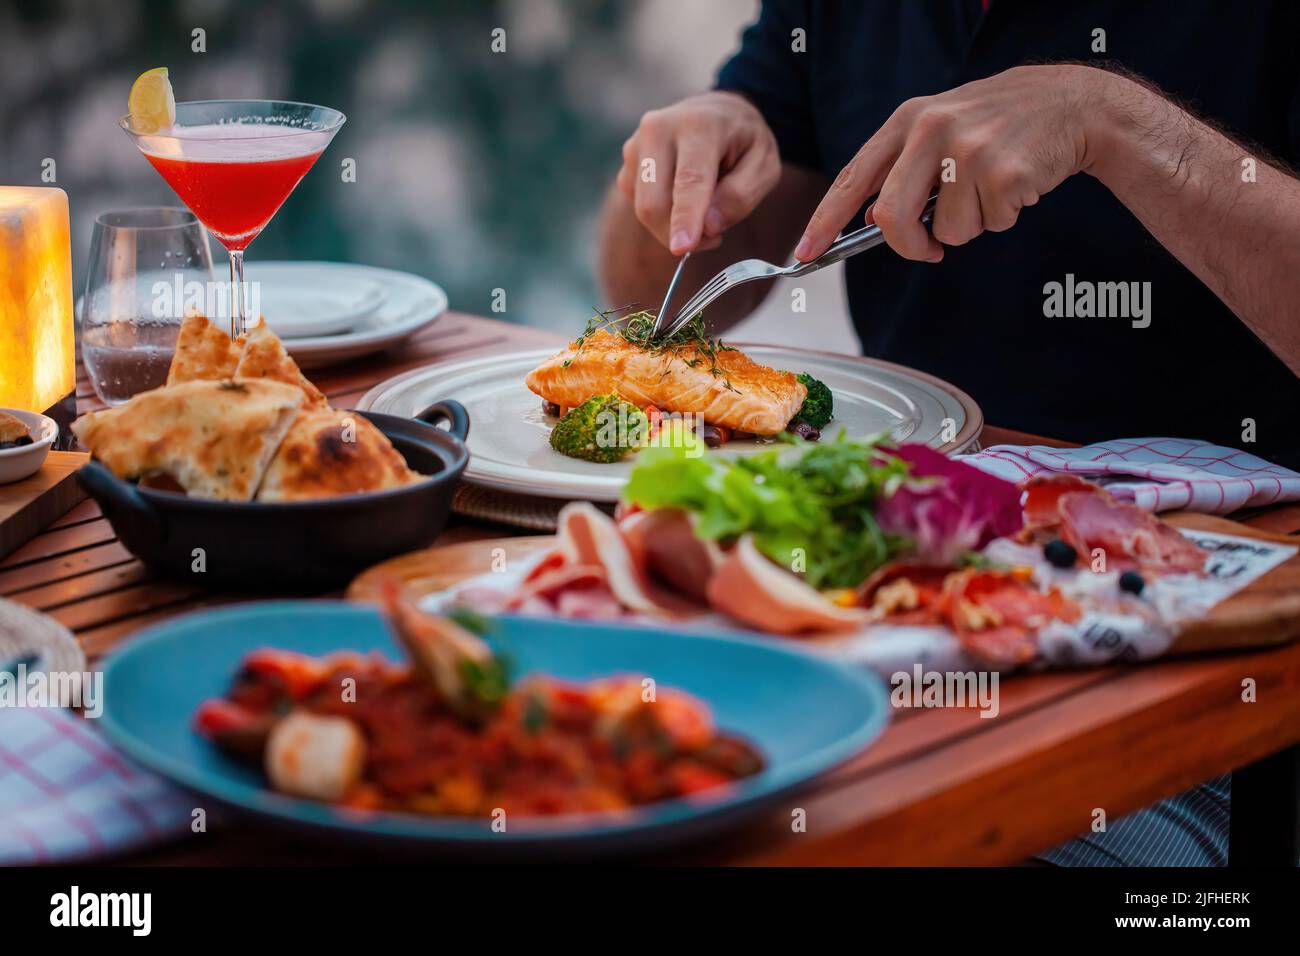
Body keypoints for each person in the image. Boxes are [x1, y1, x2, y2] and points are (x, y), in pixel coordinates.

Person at [596, 1, 1300, 865]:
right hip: (881, 608)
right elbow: (643, 298)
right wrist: (684, 181)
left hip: (1217, 692)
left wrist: (1110, 119)